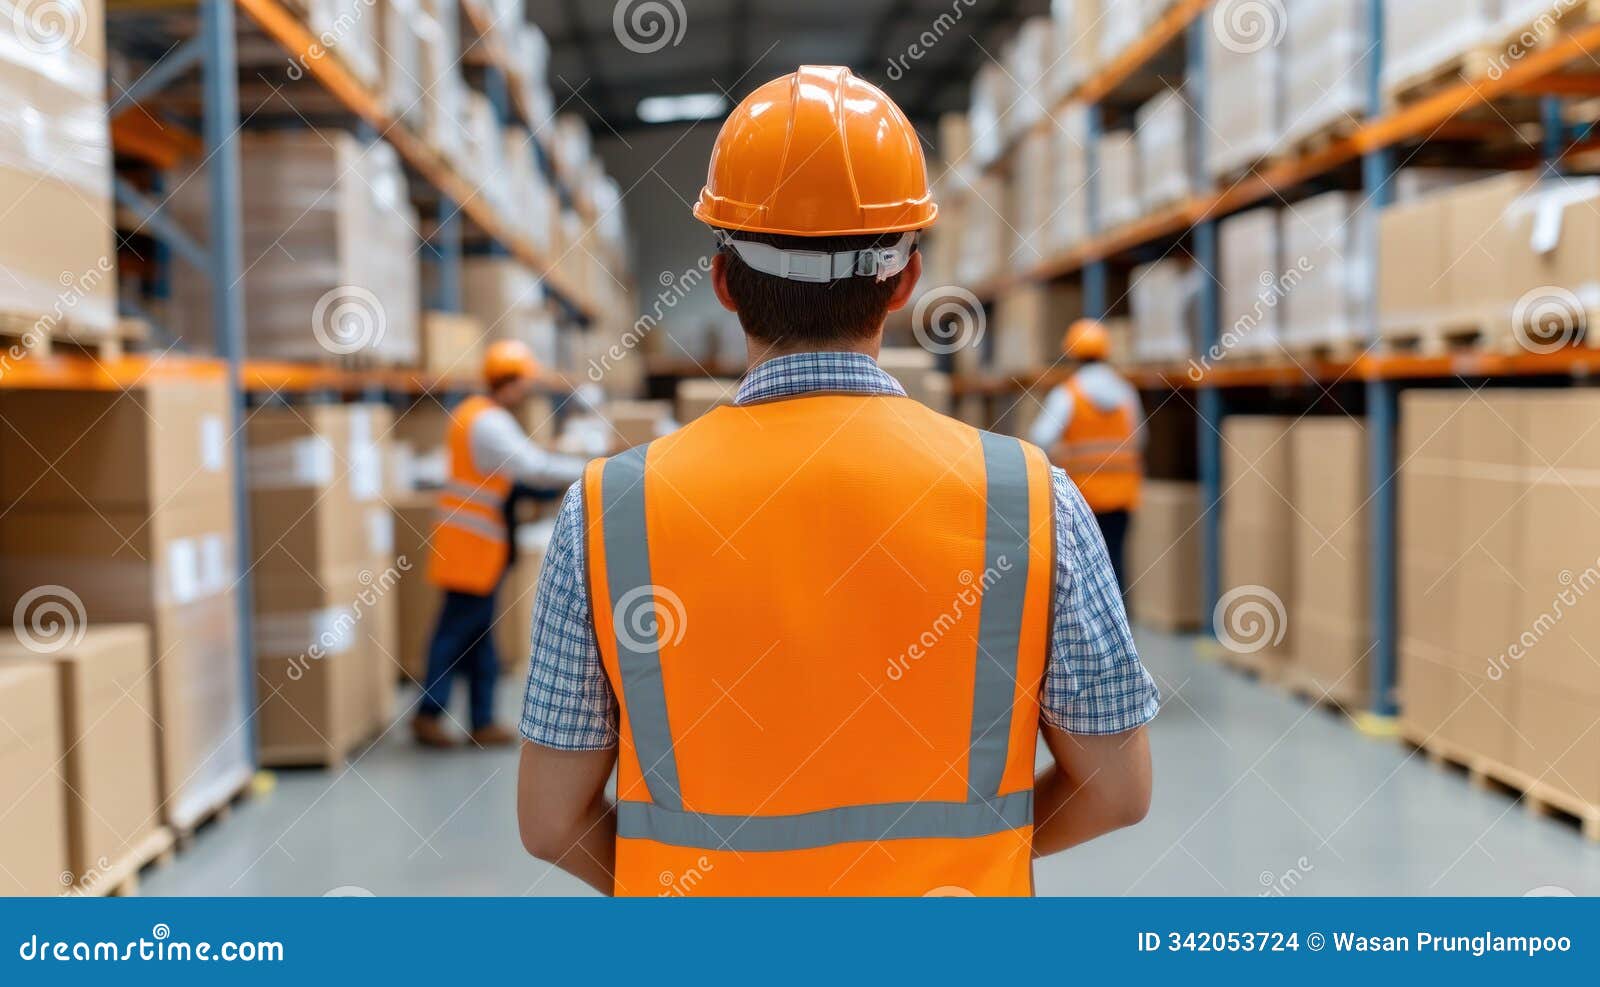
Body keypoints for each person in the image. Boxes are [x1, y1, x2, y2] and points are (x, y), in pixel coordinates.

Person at [515, 66, 1157, 896]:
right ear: (905, 281)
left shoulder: (608, 511)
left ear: (720, 281)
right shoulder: (1031, 498)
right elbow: (1120, 789)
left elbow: (550, 821)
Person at [413, 340, 588, 749]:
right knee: (455, 633)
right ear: (508, 383)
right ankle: (428, 713)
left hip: (474, 544)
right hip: (472, 546)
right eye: (524, 383)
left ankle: (482, 719)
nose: (526, 392)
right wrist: (595, 468)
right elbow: (534, 468)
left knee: (475, 635)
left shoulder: (476, 415)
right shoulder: (488, 423)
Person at [1029, 319, 1145, 591]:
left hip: (1083, 498)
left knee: (1085, 572)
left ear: (1072, 355)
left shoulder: (1068, 393)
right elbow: (1140, 438)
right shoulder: (1126, 392)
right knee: (1115, 564)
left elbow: (1040, 438)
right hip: (1122, 496)